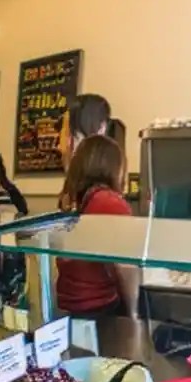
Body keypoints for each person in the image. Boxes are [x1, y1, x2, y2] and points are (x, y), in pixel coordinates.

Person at [55, 135, 141, 317]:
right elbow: (125, 267)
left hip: (70, 309)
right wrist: (134, 314)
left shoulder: (74, 200)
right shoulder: (109, 202)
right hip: (99, 310)